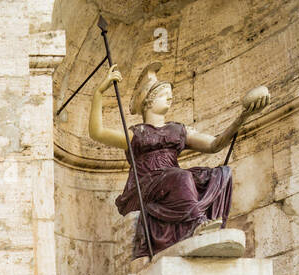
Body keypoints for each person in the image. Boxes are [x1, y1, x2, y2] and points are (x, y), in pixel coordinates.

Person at [87, 61, 269, 259]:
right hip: (146, 185)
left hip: (172, 180)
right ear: (149, 100)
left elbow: (214, 144)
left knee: (220, 174)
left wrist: (243, 117)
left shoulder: (178, 130)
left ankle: (201, 225)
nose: (170, 98)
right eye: (164, 94)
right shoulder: (137, 134)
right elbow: (97, 132)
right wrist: (99, 92)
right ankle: (197, 224)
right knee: (180, 177)